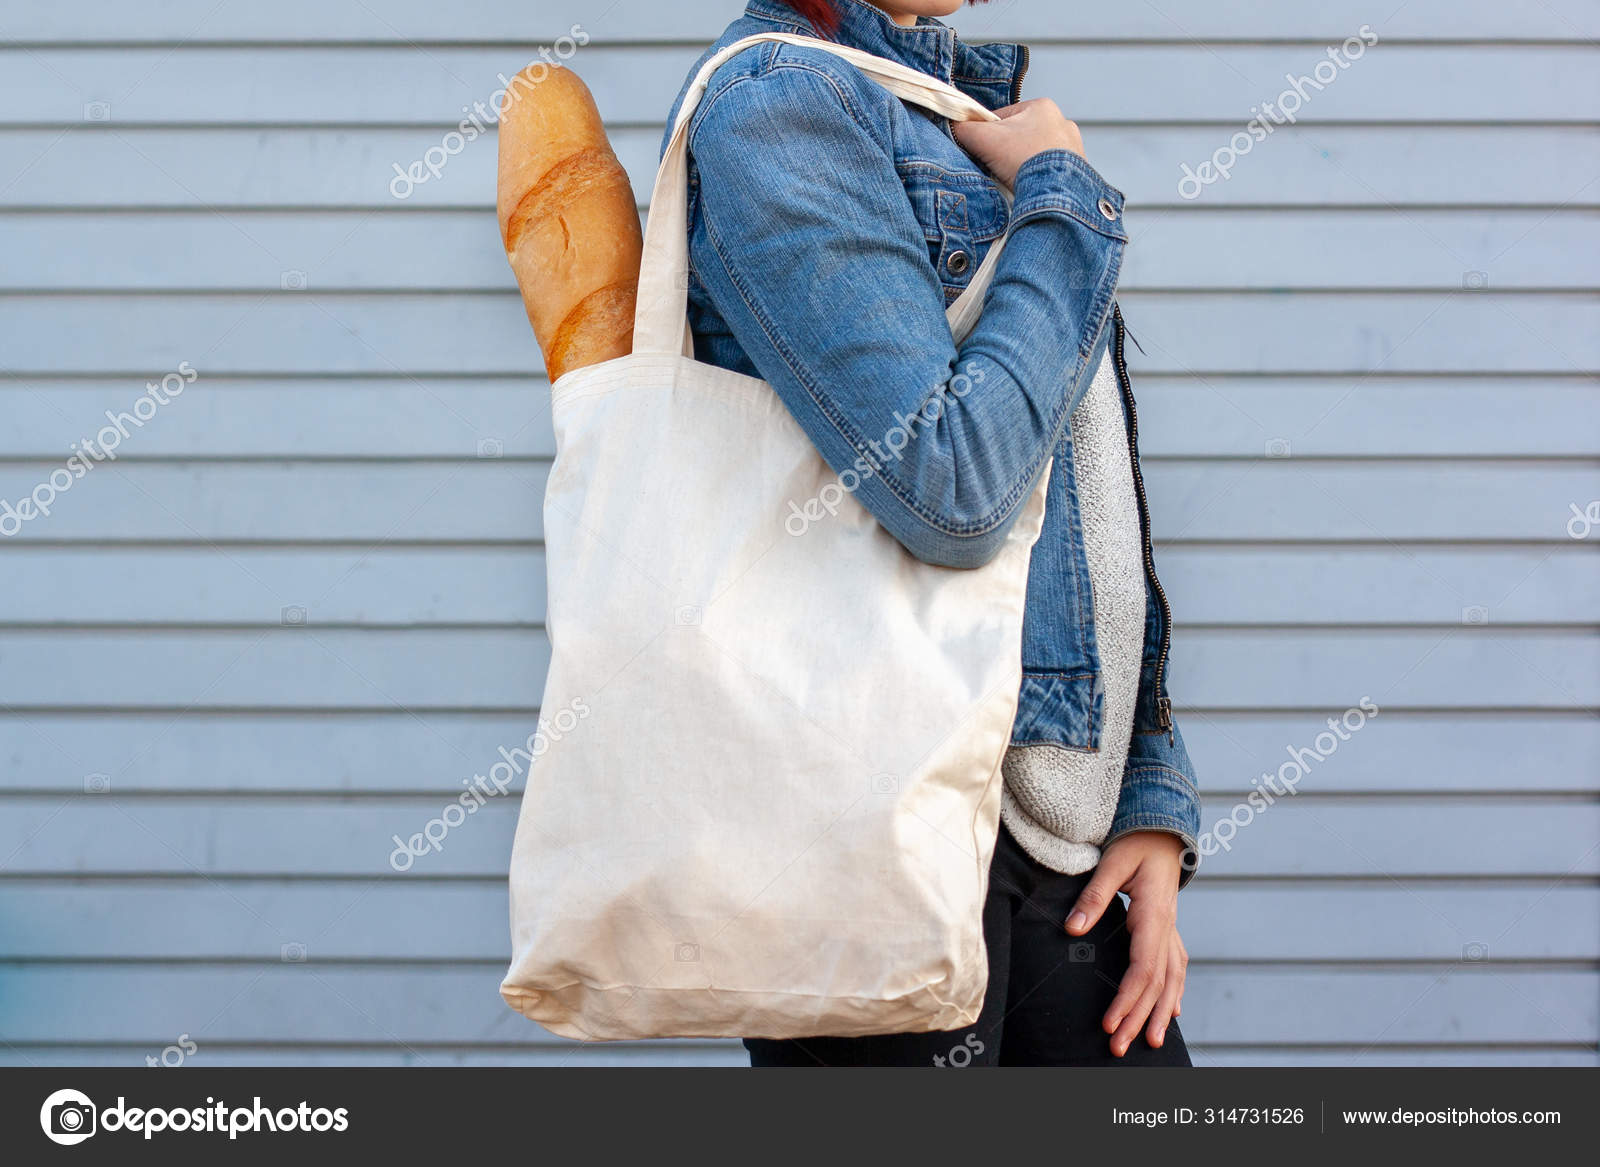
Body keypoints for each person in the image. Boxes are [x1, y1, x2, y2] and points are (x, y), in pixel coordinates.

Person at [664, 0, 1203, 1066]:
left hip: (1051, 829)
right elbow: (948, 485)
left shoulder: (958, 111)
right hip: (868, 822)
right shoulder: (780, 101)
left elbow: (1085, 487)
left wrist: (1144, 789)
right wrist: (1061, 196)